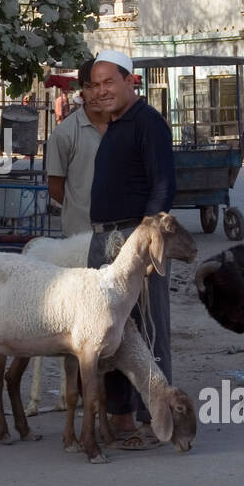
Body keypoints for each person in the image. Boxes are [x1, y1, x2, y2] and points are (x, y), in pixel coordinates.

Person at [87, 50, 176, 451]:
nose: (101, 91)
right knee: (110, 331)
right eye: (95, 84)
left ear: (130, 81)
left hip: (134, 241)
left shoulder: (149, 123)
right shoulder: (115, 125)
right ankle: (120, 416)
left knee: (148, 327)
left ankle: (157, 416)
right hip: (104, 239)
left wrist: (149, 244)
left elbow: (162, 185)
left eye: (109, 82)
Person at [45, 59, 108, 236]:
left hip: (121, 234)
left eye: (101, 85)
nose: (96, 93)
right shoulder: (65, 133)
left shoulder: (127, 128)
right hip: (79, 235)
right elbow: (55, 187)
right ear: (81, 91)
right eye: (89, 86)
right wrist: (80, 206)